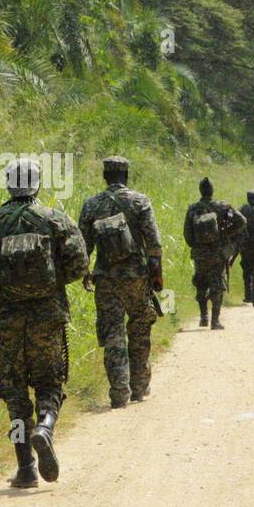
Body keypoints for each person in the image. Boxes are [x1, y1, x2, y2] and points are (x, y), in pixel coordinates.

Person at [0, 159, 87, 489]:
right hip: (48, 315)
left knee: (14, 391)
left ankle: (25, 468)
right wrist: (53, 284)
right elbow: (78, 264)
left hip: (6, 319)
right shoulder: (54, 218)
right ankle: (46, 427)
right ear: (36, 184)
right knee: (50, 382)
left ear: (8, 184)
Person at [78, 156, 163, 407]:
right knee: (139, 329)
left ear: (105, 176)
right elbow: (154, 244)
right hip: (137, 278)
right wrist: (157, 275)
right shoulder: (140, 201)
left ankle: (119, 392)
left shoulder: (91, 204)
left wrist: (85, 274)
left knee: (113, 333)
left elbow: (83, 246)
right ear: (126, 176)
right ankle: (139, 387)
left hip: (105, 280)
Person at [183, 177, 245, 328]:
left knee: (201, 283)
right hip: (218, 253)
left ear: (200, 191)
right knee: (217, 284)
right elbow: (242, 221)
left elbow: (187, 234)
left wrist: (197, 245)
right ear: (212, 191)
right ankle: (215, 321)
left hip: (199, 254)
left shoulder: (192, 209)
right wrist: (226, 234)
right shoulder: (222, 206)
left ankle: (203, 317)